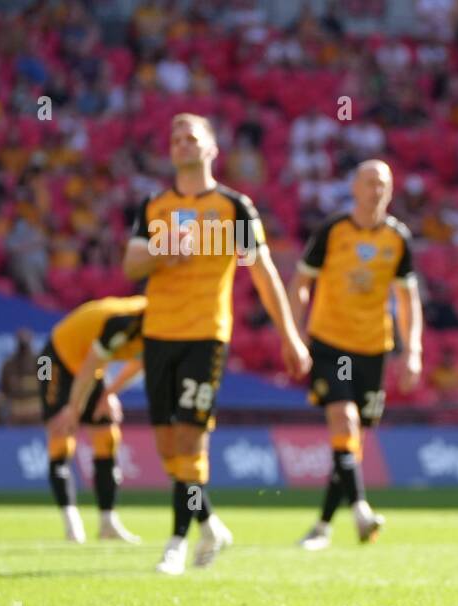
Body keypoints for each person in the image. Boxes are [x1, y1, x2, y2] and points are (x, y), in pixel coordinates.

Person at [123, 113, 311, 575]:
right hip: (159, 334)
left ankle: (175, 542)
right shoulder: (154, 205)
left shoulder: (232, 207)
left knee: (191, 436)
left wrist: (290, 334)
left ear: (212, 149)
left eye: (193, 137)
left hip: (206, 336)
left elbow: (264, 273)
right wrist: (166, 251)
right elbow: (131, 265)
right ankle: (209, 523)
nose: (183, 144)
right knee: (168, 446)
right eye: (176, 138)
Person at [290, 160, 423, 550]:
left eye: (382, 183)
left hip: (373, 349)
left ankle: (323, 526)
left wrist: (412, 349)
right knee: (344, 420)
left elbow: (407, 298)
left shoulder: (398, 238)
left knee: (350, 440)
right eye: (368, 182)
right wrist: (295, 335)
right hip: (330, 341)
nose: (375, 189)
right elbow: (300, 283)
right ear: (354, 188)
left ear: (391, 190)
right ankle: (362, 509)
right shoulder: (332, 231)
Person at [41, 297, 147, 543]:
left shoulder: (163, 326)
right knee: (60, 432)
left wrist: (109, 394)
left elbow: (137, 364)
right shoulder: (127, 321)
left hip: (89, 365)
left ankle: (108, 522)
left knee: (107, 435)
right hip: (50, 359)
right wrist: (73, 409)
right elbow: (90, 368)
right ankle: (71, 523)